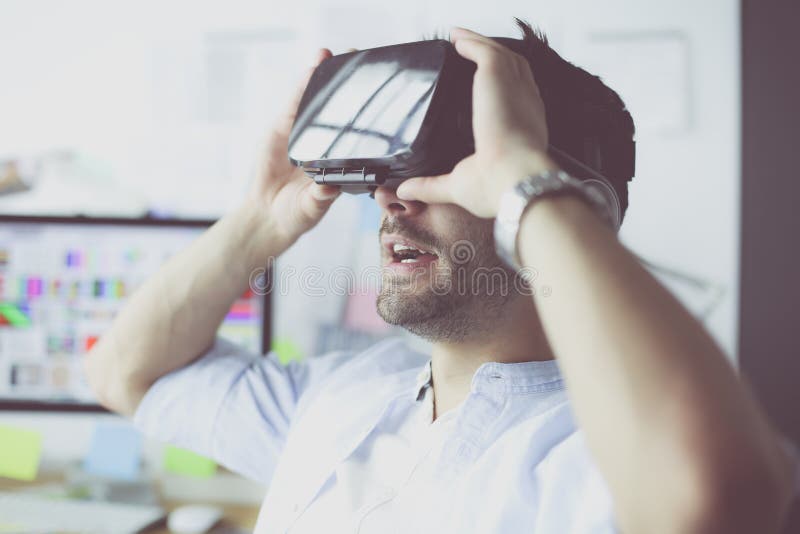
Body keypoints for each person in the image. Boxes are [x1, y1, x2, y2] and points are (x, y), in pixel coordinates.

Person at [84, 23, 797, 534]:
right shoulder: (337, 397)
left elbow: (709, 505)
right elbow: (125, 374)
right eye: (393, 171)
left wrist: (527, 182)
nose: (395, 197)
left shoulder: (608, 451)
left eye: (449, 167)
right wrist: (260, 221)